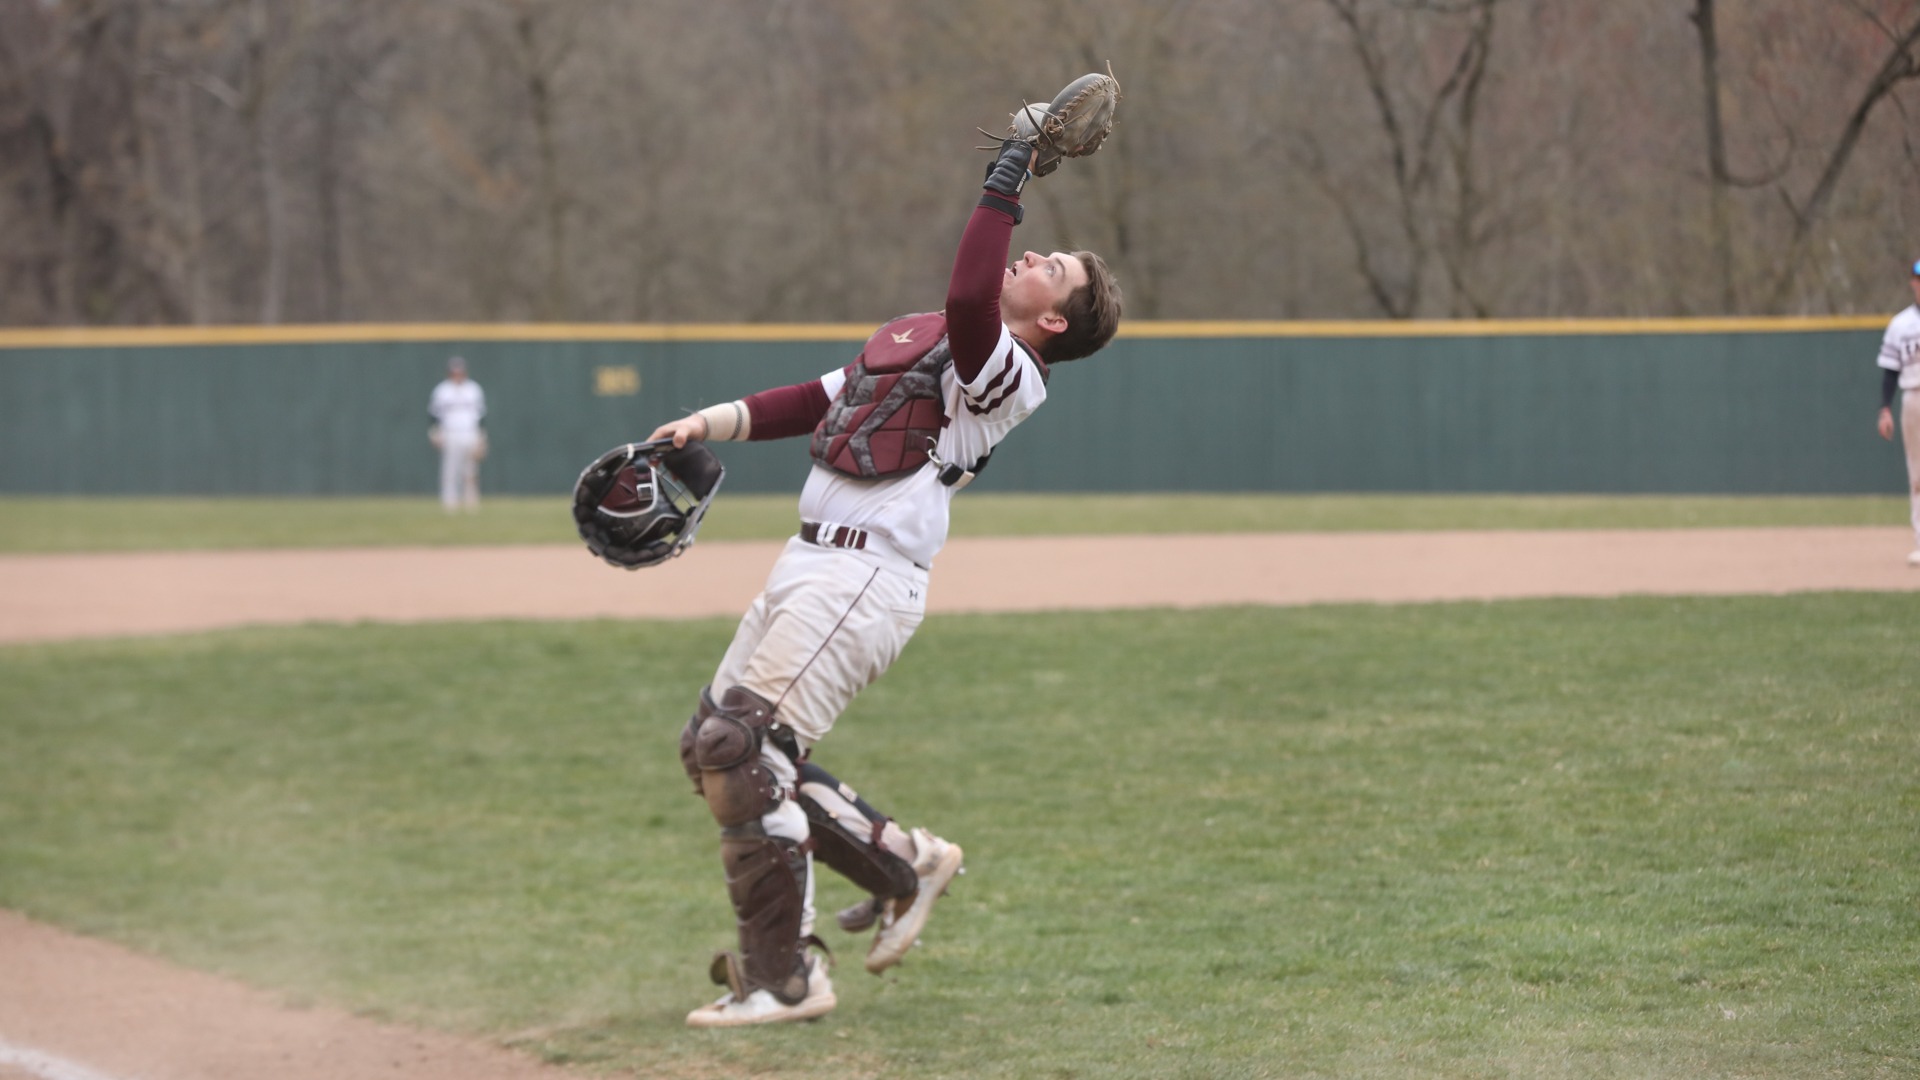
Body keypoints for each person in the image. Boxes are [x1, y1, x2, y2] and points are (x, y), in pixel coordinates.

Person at [647, 133, 1122, 1028]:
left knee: (741, 754)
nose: (1033, 254)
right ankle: (903, 864)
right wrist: (707, 422)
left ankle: (785, 981)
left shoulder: (1011, 372)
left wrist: (1008, 173)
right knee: (712, 744)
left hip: (865, 576)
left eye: (1052, 267)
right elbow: (821, 399)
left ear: (1054, 320)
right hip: (810, 561)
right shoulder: (921, 337)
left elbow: (970, 299)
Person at [1875, 260, 1920, 567]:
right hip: (1914, 398)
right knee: (1917, 474)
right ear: (1912, 283)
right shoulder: (1900, 324)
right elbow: (1890, 372)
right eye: (1919, 279)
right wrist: (1885, 409)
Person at [429, 356, 487, 512]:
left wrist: (481, 436)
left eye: (460, 372)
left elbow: (481, 416)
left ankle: (471, 502)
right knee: (450, 469)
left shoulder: (473, 389)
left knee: (470, 471)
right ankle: (450, 502)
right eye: (454, 372)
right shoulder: (442, 390)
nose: (457, 375)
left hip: (469, 433)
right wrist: (435, 432)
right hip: (450, 433)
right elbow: (434, 415)